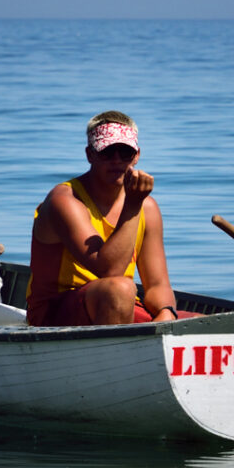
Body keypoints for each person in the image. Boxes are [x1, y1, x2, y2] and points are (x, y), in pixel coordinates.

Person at [26, 110, 179, 326]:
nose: (116, 161)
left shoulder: (148, 207)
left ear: (136, 155)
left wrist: (166, 314)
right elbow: (109, 271)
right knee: (119, 288)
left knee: (205, 323)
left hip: (118, 305)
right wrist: (132, 206)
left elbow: (157, 284)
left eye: (124, 152)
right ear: (90, 155)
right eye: (107, 152)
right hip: (55, 313)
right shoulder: (65, 200)